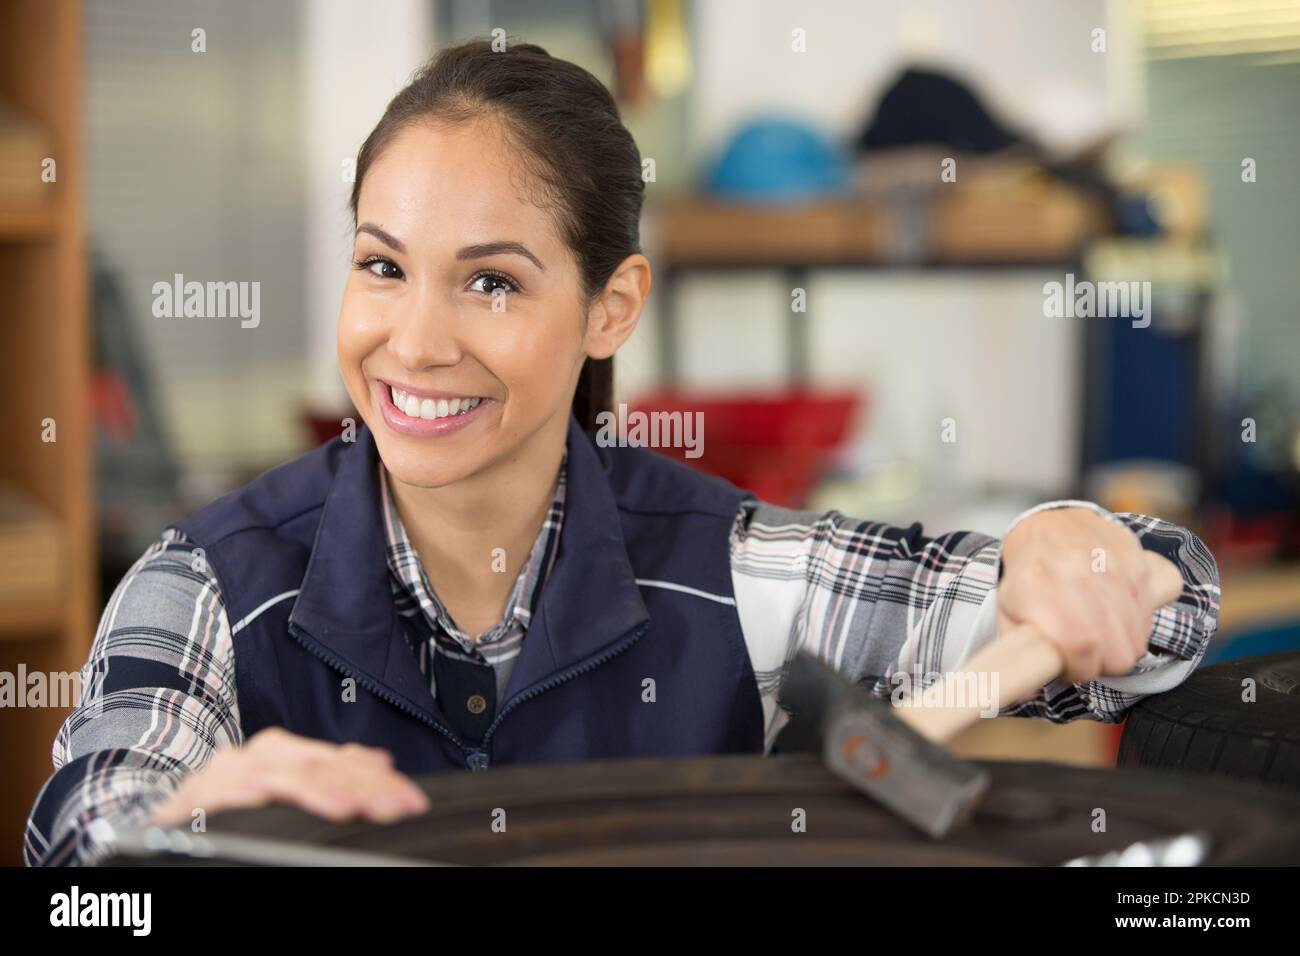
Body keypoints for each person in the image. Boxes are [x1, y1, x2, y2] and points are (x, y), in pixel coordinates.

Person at [25, 39, 1219, 866]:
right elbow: (84, 845)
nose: (415, 340)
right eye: (382, 265)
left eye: (490, 280)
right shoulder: (207, 585)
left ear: (610, 307)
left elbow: (1155, 620)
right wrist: (181, 817)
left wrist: (1084, 552)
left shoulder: (728, 570)